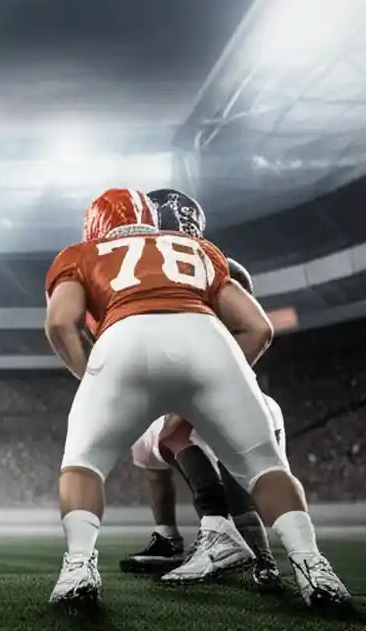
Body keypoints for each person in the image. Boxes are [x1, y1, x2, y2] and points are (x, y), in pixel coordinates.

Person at [44, 188, 350, 609]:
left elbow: (61, 323)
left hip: (125, 340)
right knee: (266, 468)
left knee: (83, 463)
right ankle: (313, 566)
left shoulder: (81, 253)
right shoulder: (197, 248)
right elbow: (259, 328)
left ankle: (79, 567)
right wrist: (227, 376)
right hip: (207, 338)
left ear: (96, 226)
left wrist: (91, 378)